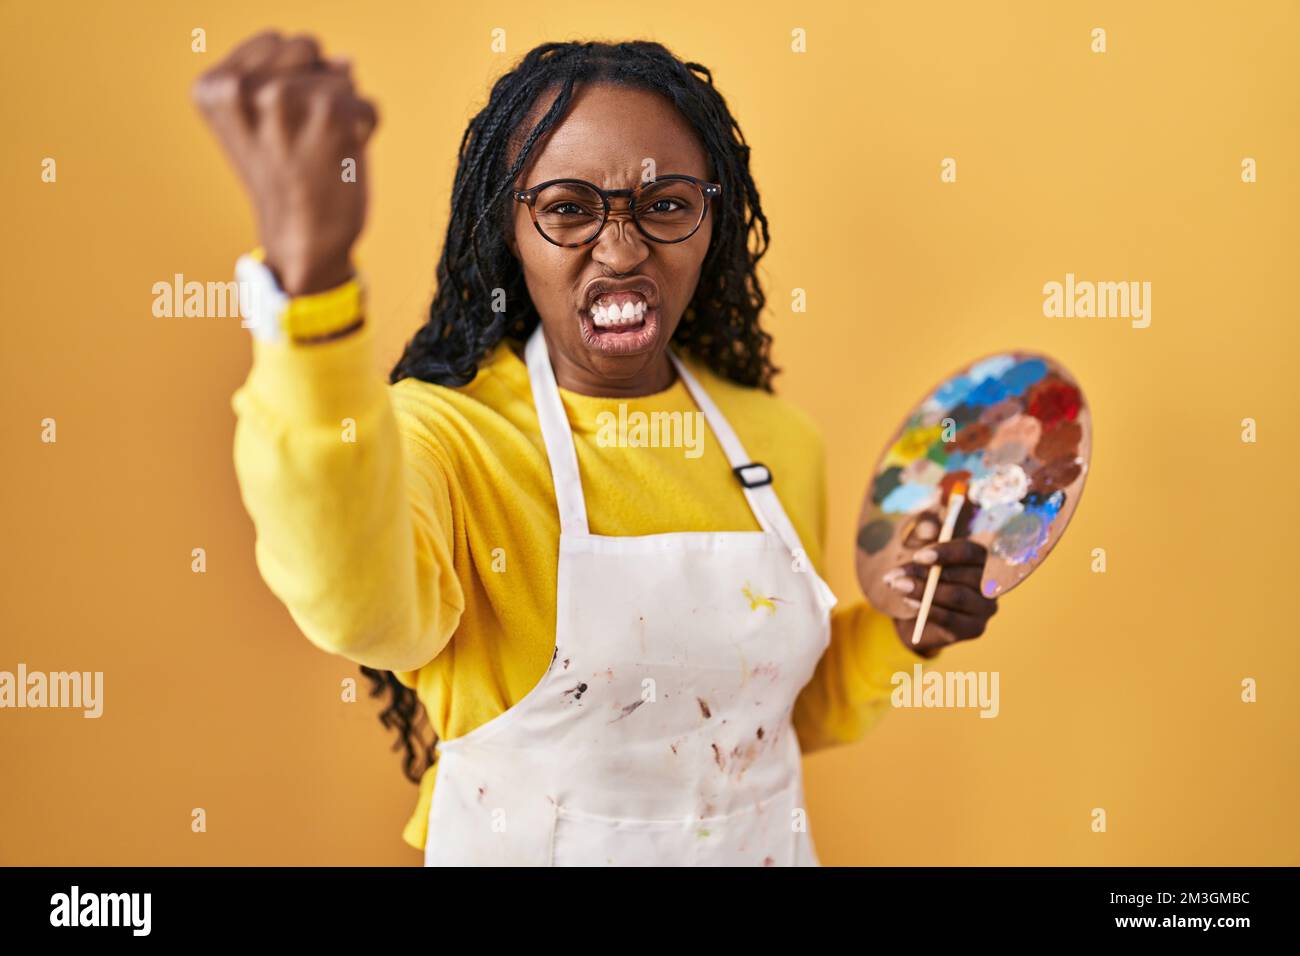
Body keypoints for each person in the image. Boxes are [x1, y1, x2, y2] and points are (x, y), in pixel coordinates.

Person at [192, 32, 998, 866]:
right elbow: (359, 610)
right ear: (509, 229)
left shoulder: (775, 442)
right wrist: (312, 279)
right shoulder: (447, 439)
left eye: (667, 204)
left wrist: (908, 630)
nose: (621, 252)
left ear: (711, 220)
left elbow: (770, 719)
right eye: (569, 208)